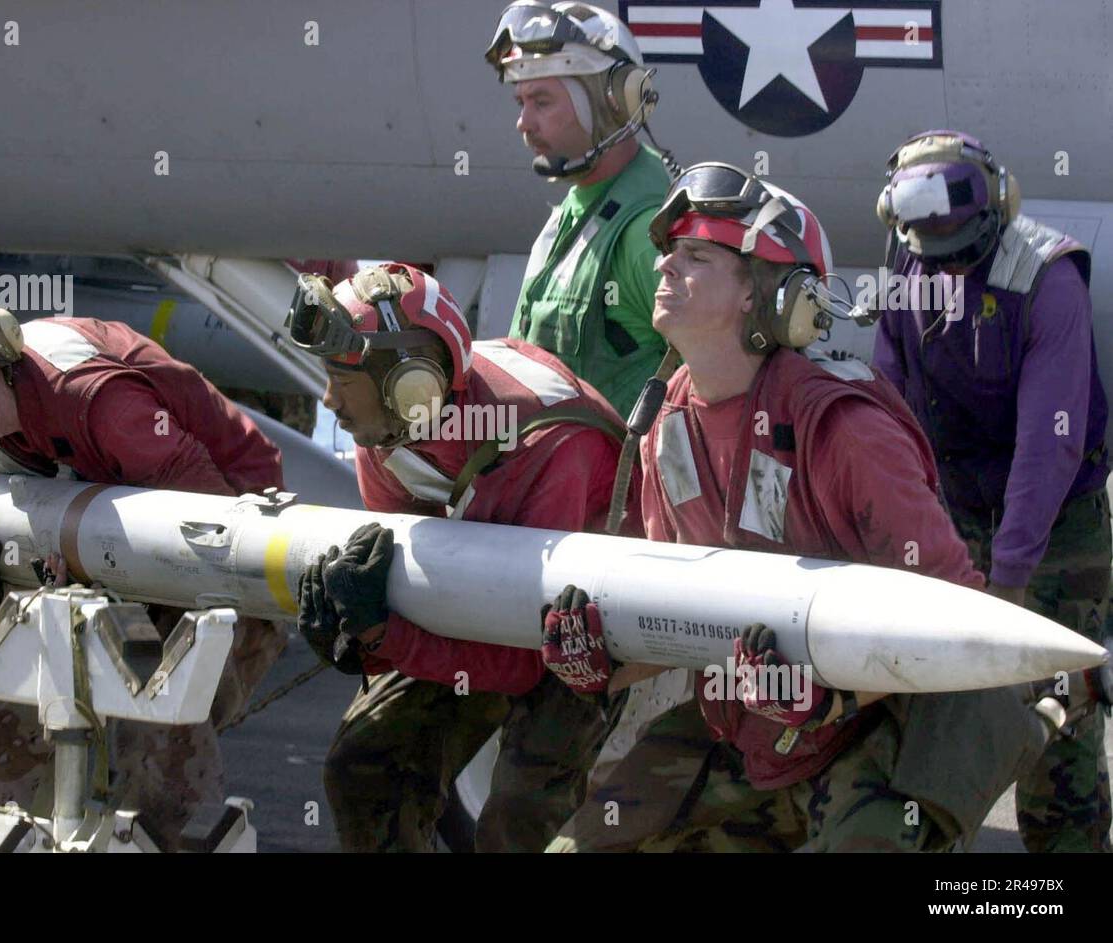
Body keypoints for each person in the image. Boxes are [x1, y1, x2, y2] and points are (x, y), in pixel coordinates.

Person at [543, 163, 1042, 852]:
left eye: (696, 256)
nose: (665, 268)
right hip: (752, 726)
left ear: (761, 294)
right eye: (668, 252)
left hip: (879, 721)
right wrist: (601, 660)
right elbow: (677, 620)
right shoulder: (669, 428)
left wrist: (830, 699)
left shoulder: (842, 429)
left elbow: (953, 607)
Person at [0, 288, 287, 850]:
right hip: (117, 572)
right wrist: (0, 583)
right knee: (22, 725)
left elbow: (209, 524)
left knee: (150, 732)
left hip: (232, 566)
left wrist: (102, 589)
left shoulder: (91, 398)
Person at [287, 262, 633, 851]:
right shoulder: (395, 425)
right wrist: (356, 636)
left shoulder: (547, 445)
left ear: (412, 385)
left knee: (520, 820)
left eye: (342, 383)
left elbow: (524, 660)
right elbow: (430, 592)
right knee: (365, 768)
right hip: (497, 609)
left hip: (585, 631)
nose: (329, 403)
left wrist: (384, 638)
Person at [871, 130, 1111, 852]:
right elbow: (888, 398)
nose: (938, 252)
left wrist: (1008, 578)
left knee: (1057, 706)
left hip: (1057, 525)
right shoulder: (906, 260)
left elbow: (1051, 442)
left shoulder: (1047, 278)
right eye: (922, 238)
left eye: (953, 235)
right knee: (938, 702)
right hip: (953, 510)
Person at [486, 1, 674, 419]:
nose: (524, 122)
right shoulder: (574, 215)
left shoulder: (653, 230)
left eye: (542, 101)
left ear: (613, 103)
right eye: (521, 101)